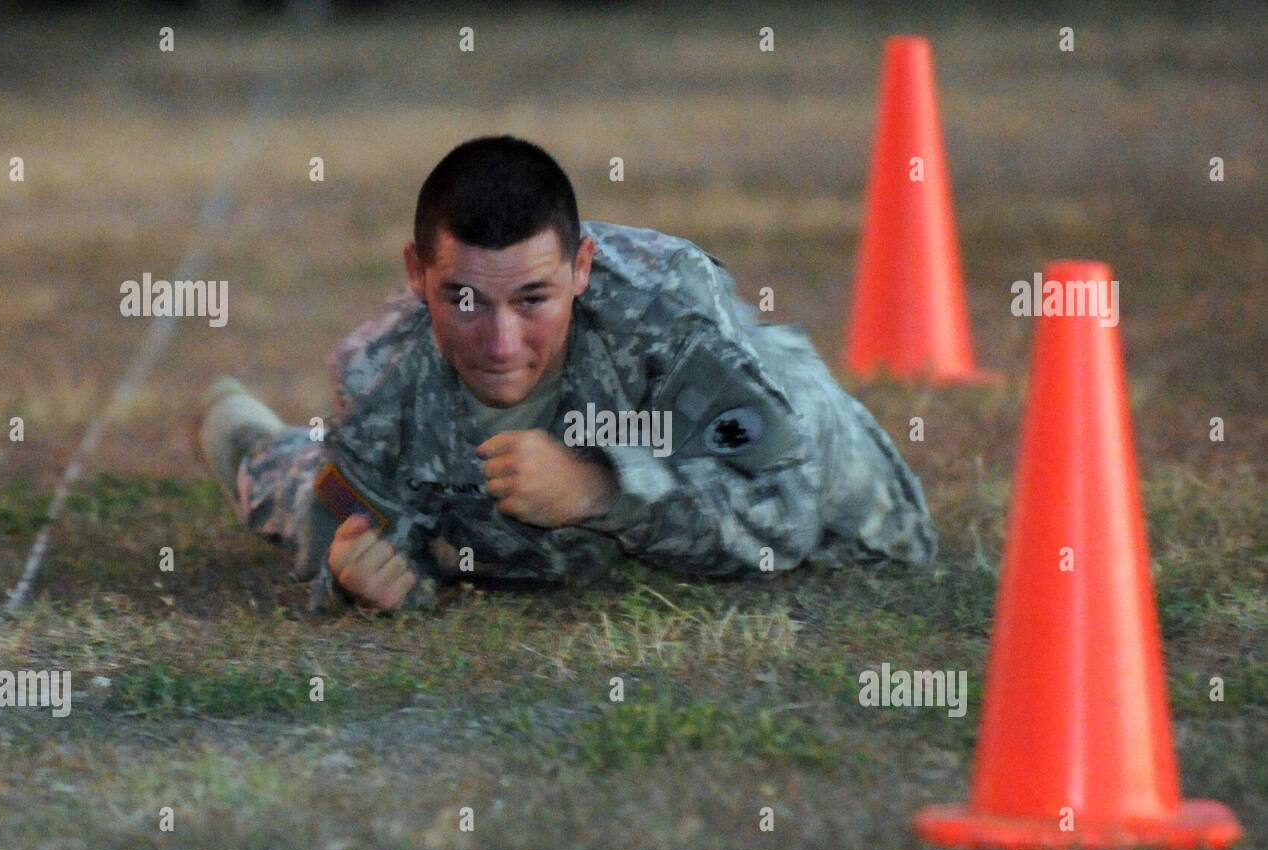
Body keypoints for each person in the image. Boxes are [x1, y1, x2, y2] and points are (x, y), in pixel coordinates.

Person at [199, 135, 937, 611]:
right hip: (514, 519)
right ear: (417, 275)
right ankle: (260, 450)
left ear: (581, 268)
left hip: (818, 475)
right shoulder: (377, 368)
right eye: (464, 300)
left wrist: (601, 492)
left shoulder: (668, 313)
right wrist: (366, 576)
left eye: (533, 299)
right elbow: (352, 528)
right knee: (309, 494)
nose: (499, 339)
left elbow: (788, 510)